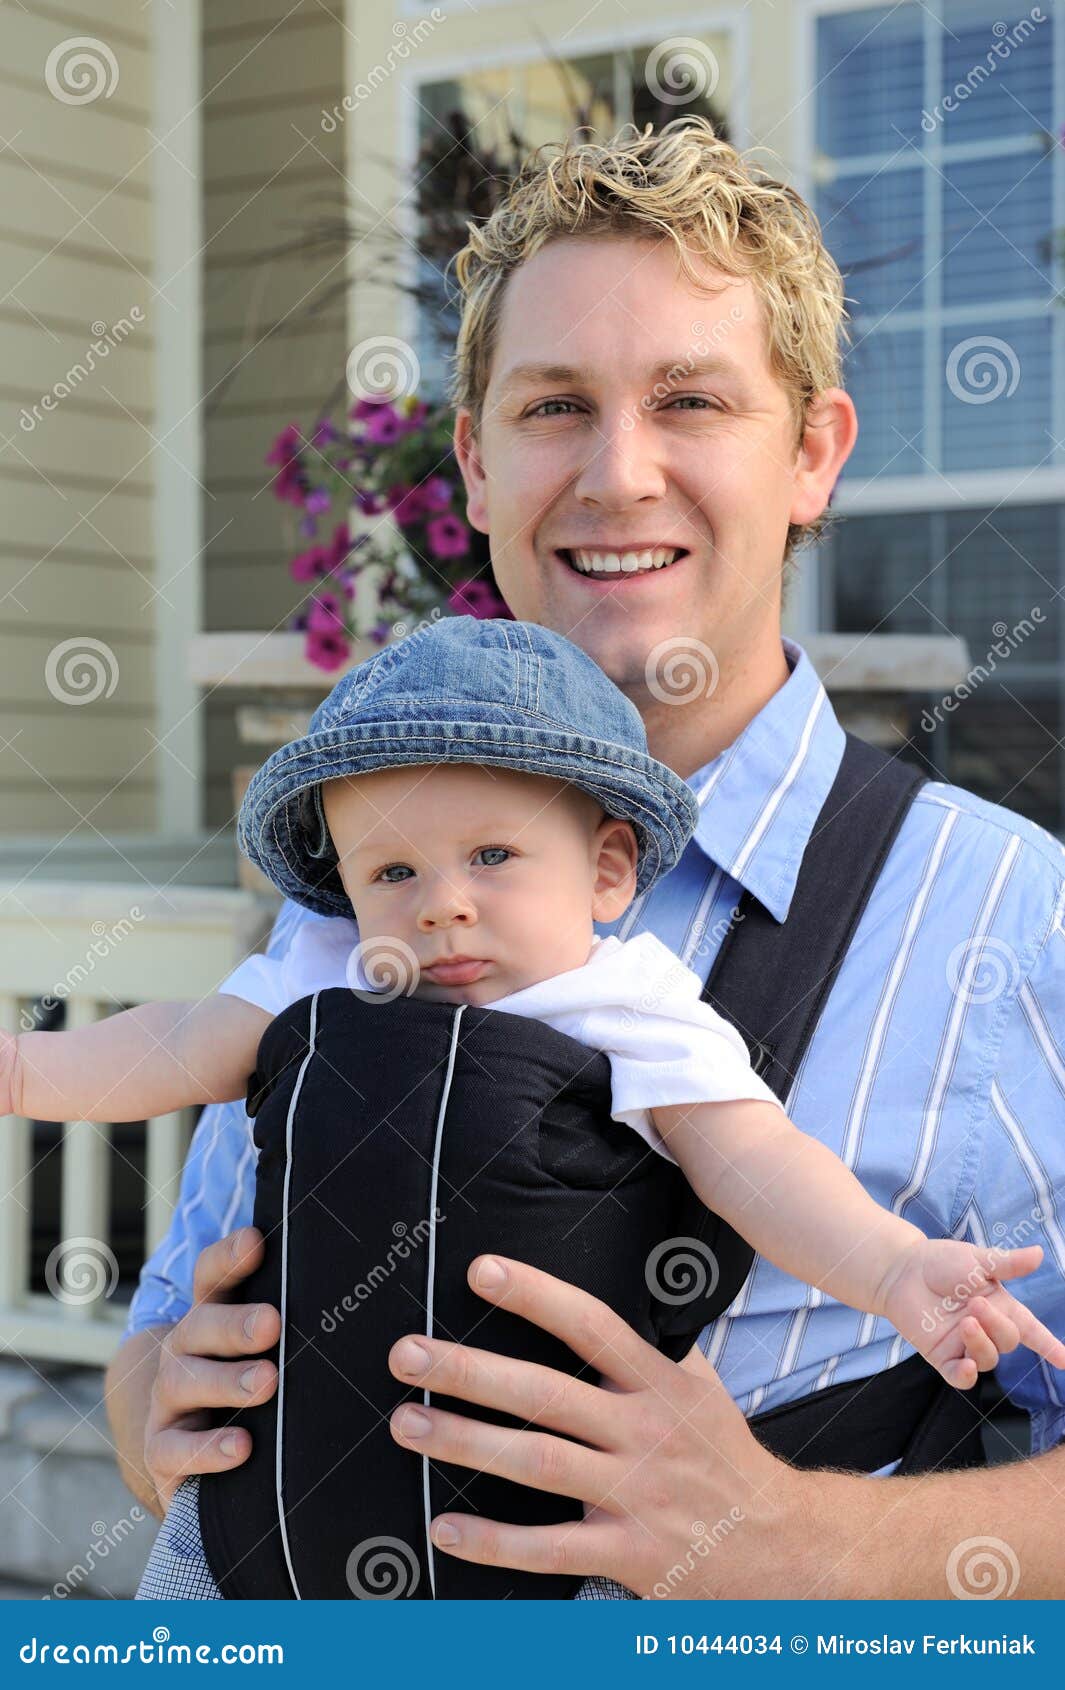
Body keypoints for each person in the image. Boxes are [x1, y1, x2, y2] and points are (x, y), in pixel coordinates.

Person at [105, 116, 1065, 1600]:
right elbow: (159, 1356)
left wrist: (799, 1542)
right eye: (555, 407)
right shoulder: (358, 903)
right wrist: (158, 1400)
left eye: (689, 399)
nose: (617, 475)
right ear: (476, 464)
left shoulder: (1016, 915)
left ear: (811, 454)